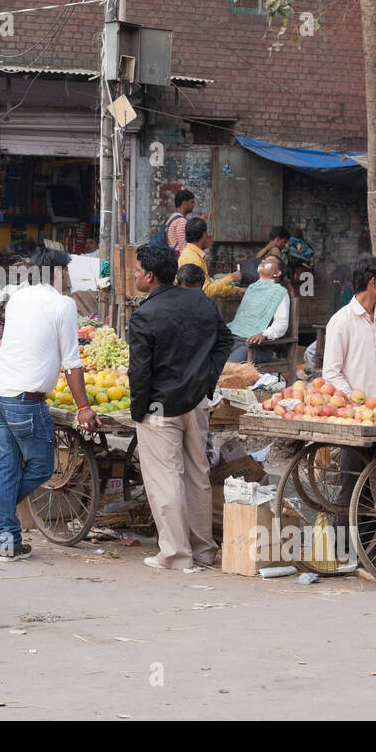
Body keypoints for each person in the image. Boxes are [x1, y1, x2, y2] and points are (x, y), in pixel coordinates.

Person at [0, 271, 99, 563]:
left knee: (8, 466)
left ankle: (9, 543)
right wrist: (83, 407)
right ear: (58, 273)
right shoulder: (62, 304)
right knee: (42, 467)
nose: (68, 277)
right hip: (25, 402)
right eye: (66, 271)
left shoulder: (19, 298)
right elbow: (72, 363)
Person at [128, 244, 232, 571]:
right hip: (197, 401)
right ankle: (203, 551)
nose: (133, 274)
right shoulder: (200, 301)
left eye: (136, 269)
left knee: (166, 477)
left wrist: (138, 411)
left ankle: (175, 554)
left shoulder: (145, 314)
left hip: (161, 407)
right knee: (198, 473)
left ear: (150, 275)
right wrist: (207, 380)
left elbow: (139, 372)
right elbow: (224, 341)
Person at [322, 256, 376, 518]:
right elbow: (331, 373)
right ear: (372, 283)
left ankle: (371, 552)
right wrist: (354, 400)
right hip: (355, 418)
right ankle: (345, 551)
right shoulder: (341, 321)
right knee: (352, 487)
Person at [226, 254, 289, 363]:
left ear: (277, 273)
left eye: (269, 261)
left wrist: (264, 334)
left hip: (256, 347)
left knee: (226, 367)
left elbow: (281, 324)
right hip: (234, 338)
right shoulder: (252, 288)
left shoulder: (279, 292)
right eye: (263, 260)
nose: (263, 261)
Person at [177, 218, 241, 299]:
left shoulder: (191, 253)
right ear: (204, 235)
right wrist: (231, 278)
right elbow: (206, 291)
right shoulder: (194, 258)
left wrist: (236, 290)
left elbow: (210, 285)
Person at [156, 189, 195, 254]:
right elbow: (183, 246)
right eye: (192, 202)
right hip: (177, 258)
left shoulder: (172, 218)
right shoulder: (181, 221)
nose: (194, 205)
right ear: (184, 203)